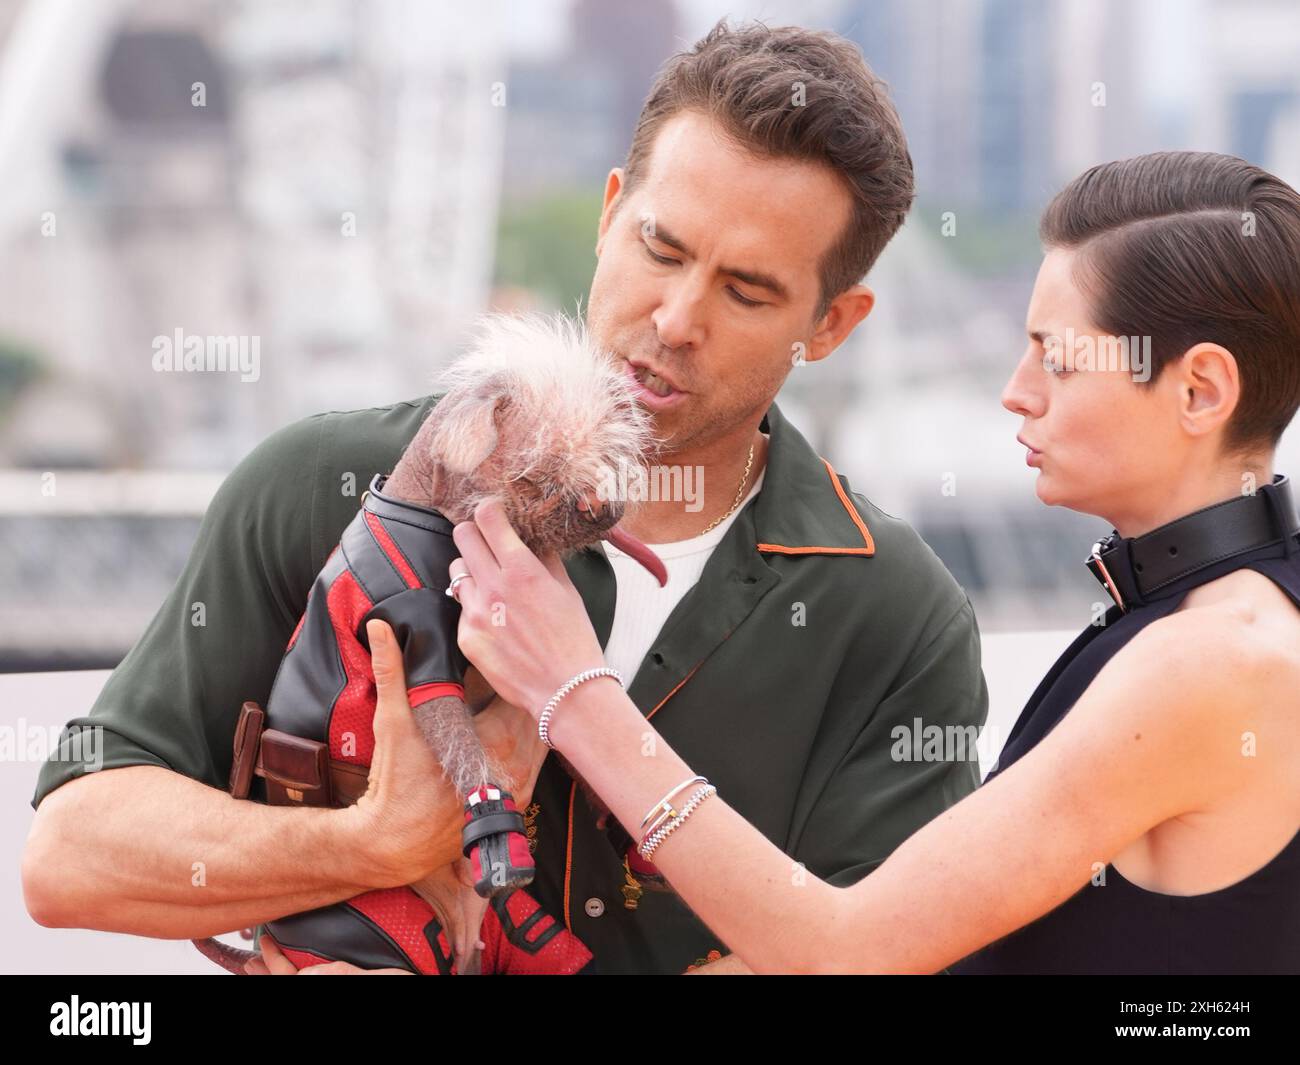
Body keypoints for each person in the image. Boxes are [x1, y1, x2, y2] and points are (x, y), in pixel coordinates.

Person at [22, 20, 987, 976]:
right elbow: (70, 859)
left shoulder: (899, 617)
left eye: (746, 292)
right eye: (660, 247)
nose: (677, 318)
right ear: (610, 214)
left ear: (831, 325)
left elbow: (875, 957)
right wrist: (373, 841)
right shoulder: (323, 486)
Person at [438, 150, 1300, 974]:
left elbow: (844, 952)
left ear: (1200, 391)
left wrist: (573, 691)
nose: (1017, 389)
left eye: (1058, 357)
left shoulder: (1212, 661)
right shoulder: (1226, 623)